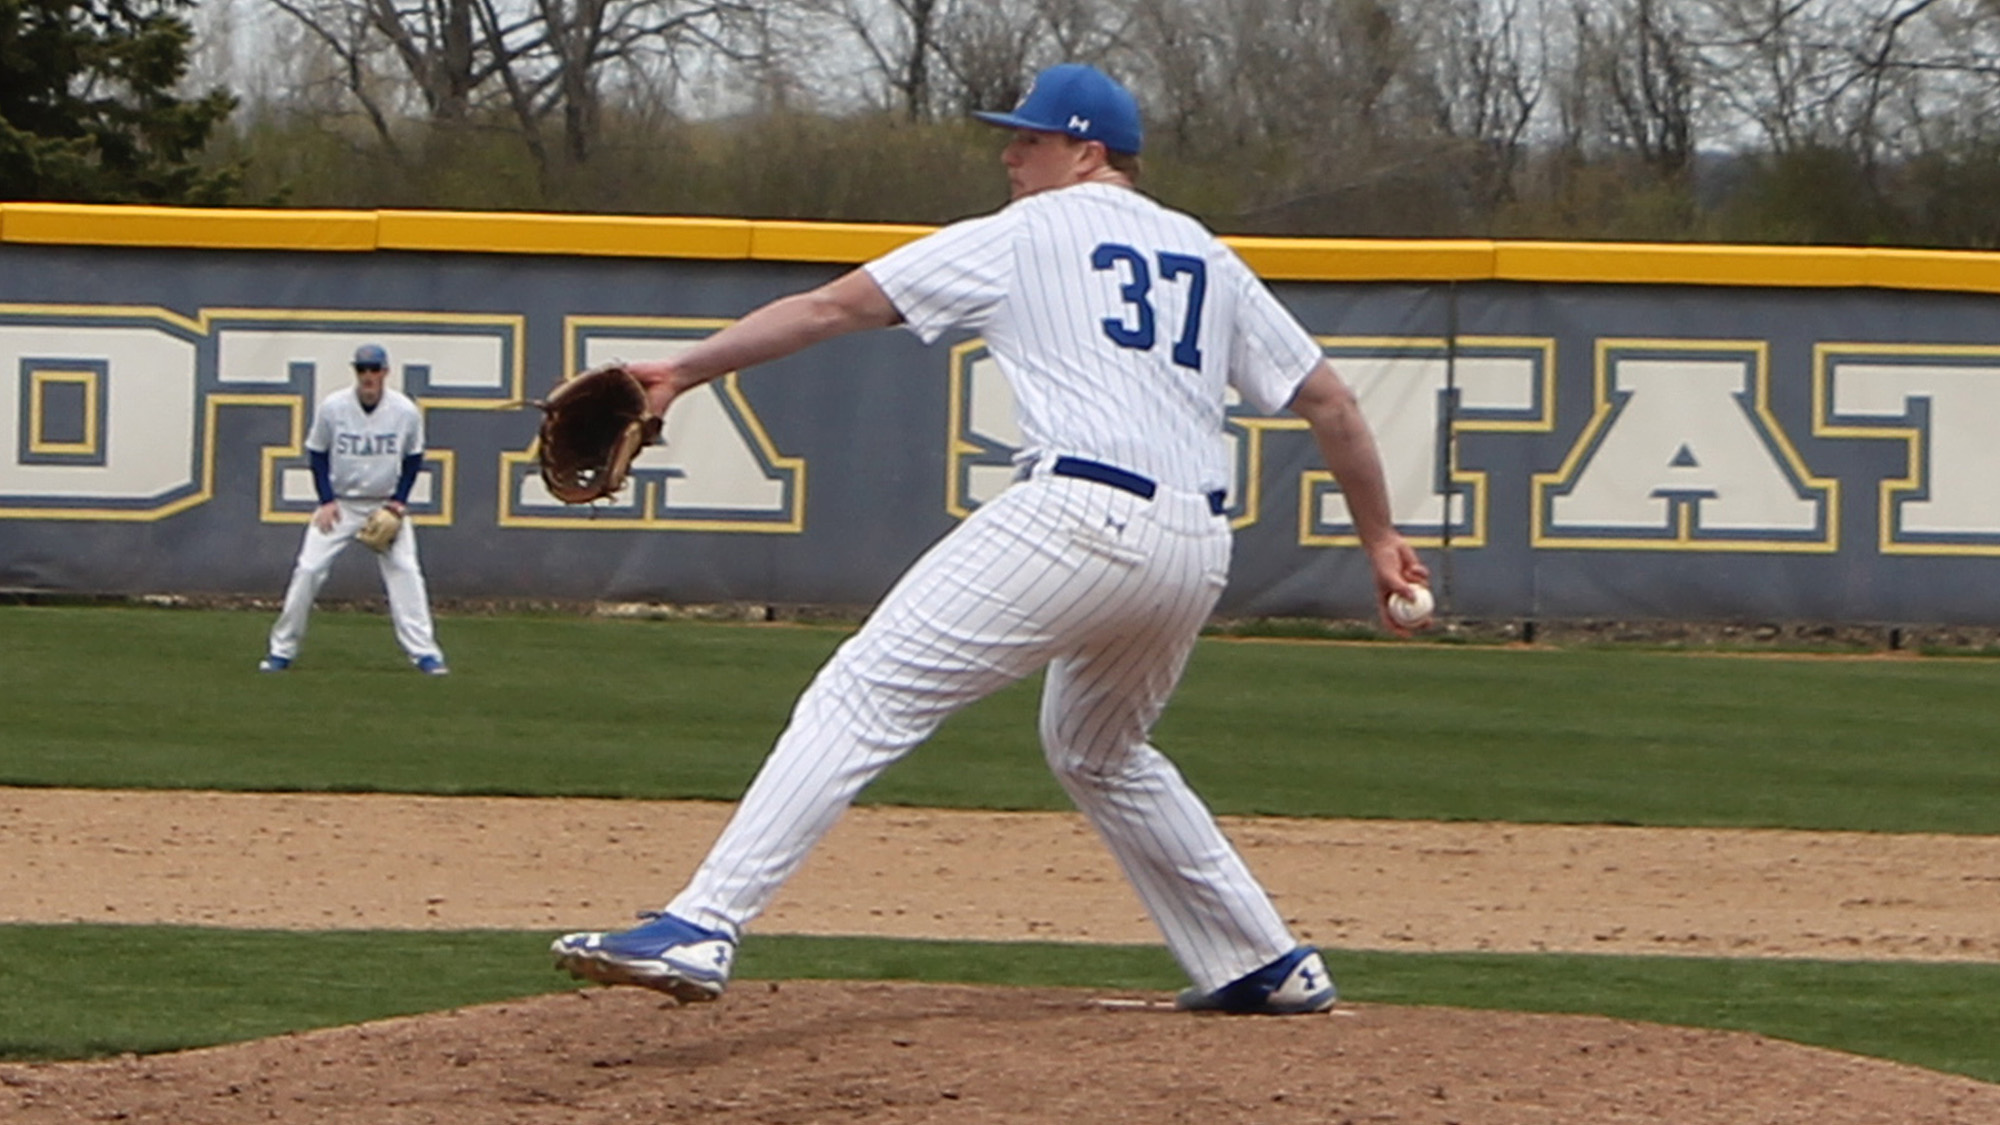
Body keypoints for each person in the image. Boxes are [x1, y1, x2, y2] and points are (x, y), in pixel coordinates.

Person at [551, 63, 1426, 1014]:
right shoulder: (1204, 253)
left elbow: (831, 307)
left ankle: (701, 922)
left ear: (1087, 152)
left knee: (864, 690)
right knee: (1100, 749)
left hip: (1078, 514)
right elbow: (1331, 402)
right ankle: (1261, 960)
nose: (1010, 156)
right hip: (1194, 544)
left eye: (1031, 139)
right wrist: (1379, 538)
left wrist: (685, 368)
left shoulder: (1026, 233)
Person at [259, 343, 449, 676]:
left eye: (374, 369)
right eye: (362, 369)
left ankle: (425, 654)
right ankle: (282, 650)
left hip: (384, 503)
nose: (368, 376)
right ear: (355, 372)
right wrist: (326, 500)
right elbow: (317, 452)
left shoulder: (404, 411)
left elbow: (413, 457)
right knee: (308, 569)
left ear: (385, 372)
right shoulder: (334, 407)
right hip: (342, 503)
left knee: (406, 571)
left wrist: (398, 502)